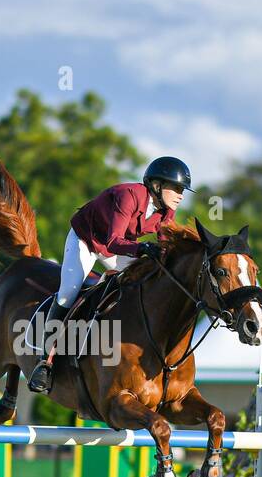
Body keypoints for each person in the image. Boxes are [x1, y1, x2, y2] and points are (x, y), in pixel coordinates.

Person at [27, 156, 192, 393]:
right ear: (156, 185)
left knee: (146, 279)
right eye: (176, 188)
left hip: (116, 247)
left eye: (182, 190)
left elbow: (164, 248)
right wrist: (143, 248)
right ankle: (45, 362)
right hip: (86, 240)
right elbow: (113, 241)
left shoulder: (166, 213)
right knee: (68, 292)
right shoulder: (129, 196)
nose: (180, 195)